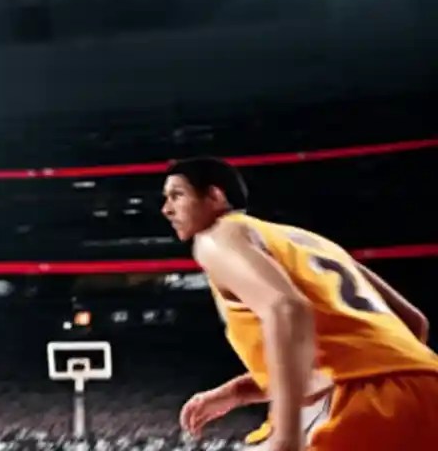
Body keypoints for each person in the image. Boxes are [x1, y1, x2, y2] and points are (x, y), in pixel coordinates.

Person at [162, 157, 438, 450]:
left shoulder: (216, 238)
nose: (166, 209)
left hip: (364, 405)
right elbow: (413, 323)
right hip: (425, 384)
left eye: (177, 195)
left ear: (215, 196)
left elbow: (288, 309)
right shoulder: (309, 241)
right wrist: (239, 391)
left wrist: (287, 436)